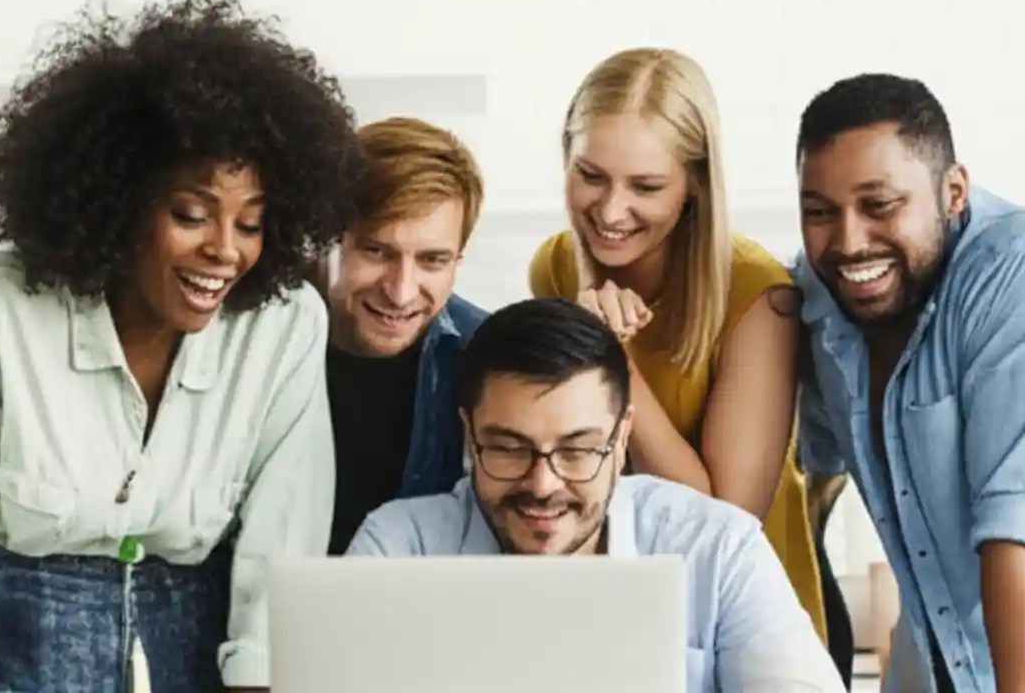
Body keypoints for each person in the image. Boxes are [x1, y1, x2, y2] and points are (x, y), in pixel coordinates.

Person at [0, 0, 364, 693]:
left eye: (252, 224)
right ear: (119, 197)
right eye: (192, 214)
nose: (225, 251)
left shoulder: (284, 326)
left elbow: (275, 579)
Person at [347, 297, 845, 692]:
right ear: (468, 432)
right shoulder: (398, 549)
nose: (543, 485)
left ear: (622, 435)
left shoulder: (717, 548)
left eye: (579, 450)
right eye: (507, 448)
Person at [525, 47, 827, 641]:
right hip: (631, 614)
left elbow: (723, 524)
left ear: (693, 186)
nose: (611, 210)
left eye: (646, 185)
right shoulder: (555, 269)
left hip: (753, 625)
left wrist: (608, 361)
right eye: (590, 175)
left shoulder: (759, 295)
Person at [795, 72, 1025, 692]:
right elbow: (811, 464)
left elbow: (1014, 528)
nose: (848, 241)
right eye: (819, 212)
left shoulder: (1012, 277)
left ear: (953, 192)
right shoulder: (817, 294)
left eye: (879, 205)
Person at [319, 116, 487, 554]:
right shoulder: (261, 336)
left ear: (458, 260)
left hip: (418, 610)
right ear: (327, 237)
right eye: (377, 252)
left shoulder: (485, 355)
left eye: (432, 261)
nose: (400, 291)